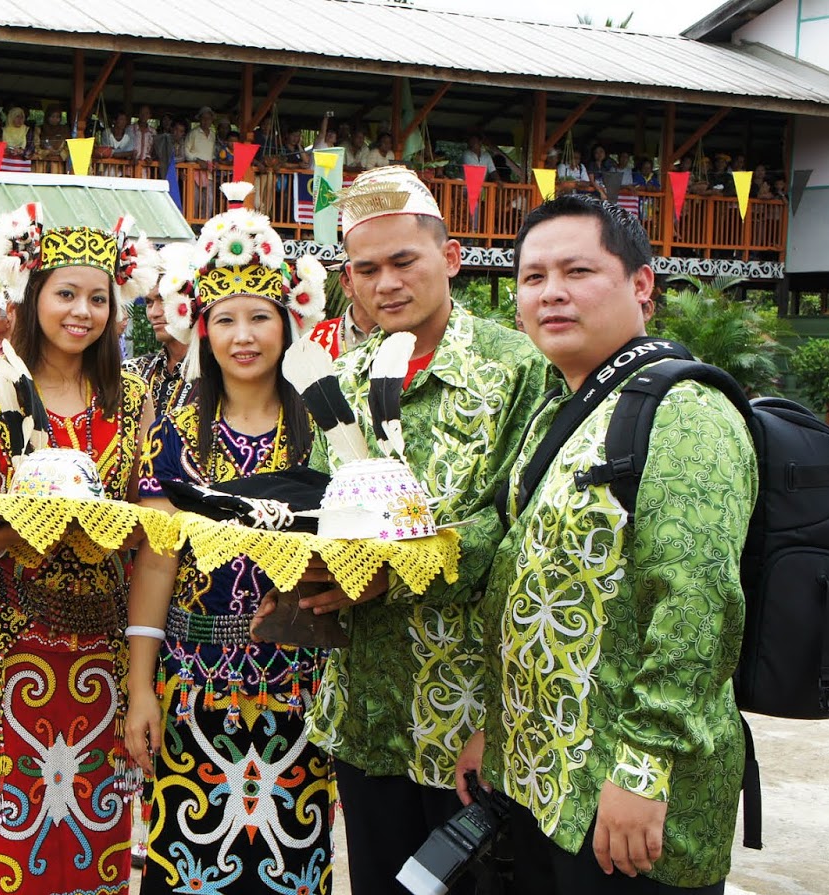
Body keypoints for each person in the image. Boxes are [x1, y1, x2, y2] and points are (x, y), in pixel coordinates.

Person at [457, 193, 753, 893]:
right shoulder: (562, 408)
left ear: (640, 285)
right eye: (533, 278)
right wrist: (497, 741)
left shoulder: (685, 411)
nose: (551, 293)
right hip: (538, 783)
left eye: (577, 271)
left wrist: (643, 769)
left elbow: (697, 608)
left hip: (626, 807)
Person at [289, 166, 548, 895]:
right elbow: (322, 500)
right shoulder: (341, 375)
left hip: (470, 709)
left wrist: (395, 570)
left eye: (405, 261)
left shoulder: (518, 369)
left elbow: (516, 524)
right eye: (366, 269)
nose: (386, 283)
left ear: (452, 256)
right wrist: (313, 569)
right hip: (365, 710)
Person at [124, 181, 337, 894]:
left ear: (288, 321)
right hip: (194, 688)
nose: (243, 336)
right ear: (201, 327)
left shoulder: (329, 435)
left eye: (259, 317)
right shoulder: (173, 437)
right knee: (190, 870)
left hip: (299, 691)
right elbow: (155, 565)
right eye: (225, 319)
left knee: (289, 870)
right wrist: (140, 686)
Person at [0, 203, 156, 895]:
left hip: (103, 643)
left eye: (98, 297)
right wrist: (9, 529)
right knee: (4, 830)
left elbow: (147, 512)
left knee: (93, 829)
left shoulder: (131, 395)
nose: (83, 311)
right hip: (8, 638)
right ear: (34, 295)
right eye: (66, 293)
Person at [122, 279, 194, 417]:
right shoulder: (134, 371)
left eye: (163, 300)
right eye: (149, 303)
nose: (153, 313)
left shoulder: (216, 373)